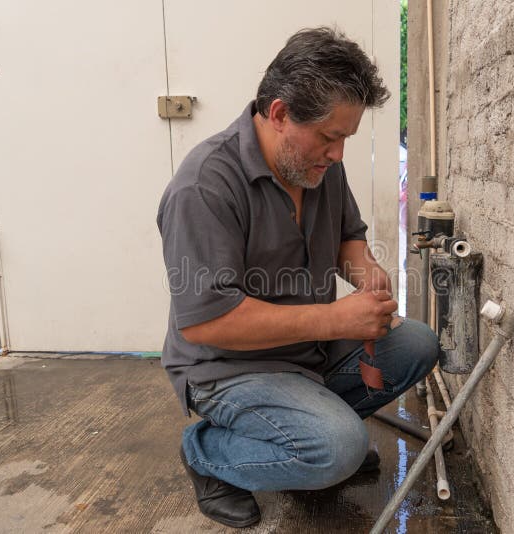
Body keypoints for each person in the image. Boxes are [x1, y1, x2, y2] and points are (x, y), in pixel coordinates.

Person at [157, 27, 438, 528]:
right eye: (329, 138)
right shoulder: (204, 187)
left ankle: (313, 436)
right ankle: (207, 455)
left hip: (305, 352)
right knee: (338, 448)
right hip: (227, 368)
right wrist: (334, 319)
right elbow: (206, 325)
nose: (337, 155)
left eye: (345, 139)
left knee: (417, 344)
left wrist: (367, 276)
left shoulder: (318, 167)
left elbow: (346, 238)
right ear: (280, 113)